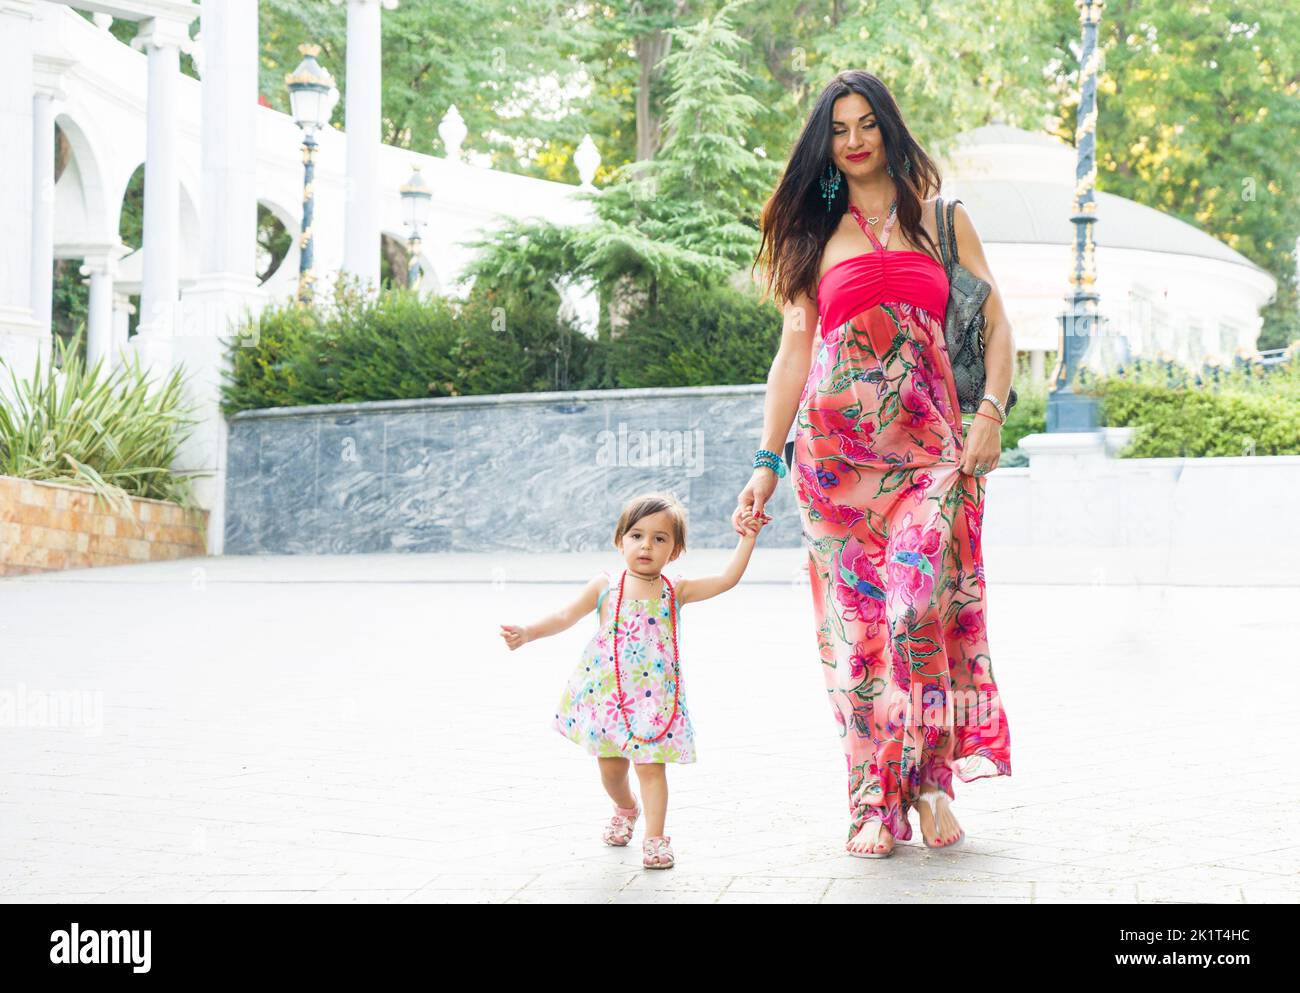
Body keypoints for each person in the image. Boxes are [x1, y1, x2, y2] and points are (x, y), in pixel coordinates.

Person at [740, 70, 1013, 859]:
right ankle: (873, 801)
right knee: (858, 637)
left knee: (914, 606)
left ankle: (928, 777)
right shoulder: (811, 234)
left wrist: (990, 412)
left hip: (931, 455)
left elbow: (998, 329)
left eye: (867, 123)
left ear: (890, 128)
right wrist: (766, 460)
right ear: (825, 144)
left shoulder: (944, 221)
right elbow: (794, 353)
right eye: (839, 128)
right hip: (834, 469)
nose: (855, 139)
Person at [499, 492, 768, 869]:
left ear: (674, 552)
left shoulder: (677, 590)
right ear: (619, 540)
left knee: (650, 766)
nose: (647, 545)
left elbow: (726, 579)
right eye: (637, 535)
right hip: (607, 694)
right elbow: (564, 615)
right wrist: (527, 632)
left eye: (660, 539)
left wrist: (748, 538)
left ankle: (656, 838)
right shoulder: (606, 585)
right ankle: (625, 808)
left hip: (653, 701)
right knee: (611, 768)